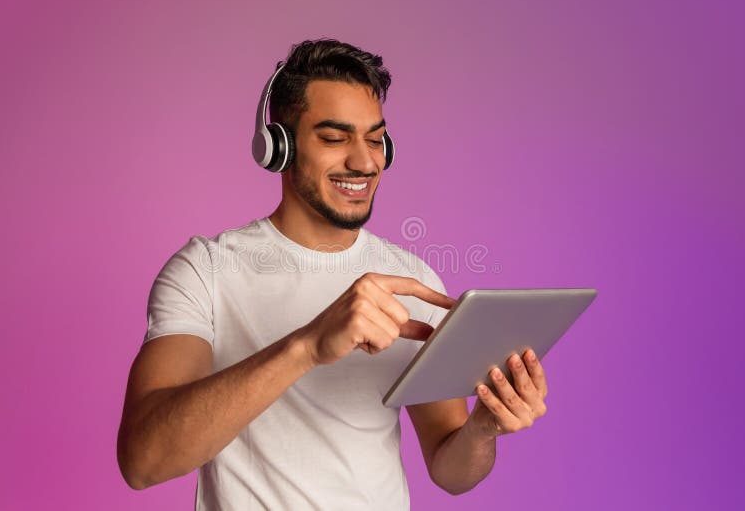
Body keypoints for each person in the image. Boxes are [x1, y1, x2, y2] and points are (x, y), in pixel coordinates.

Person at [117, 38, 549, 510]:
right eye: (334, 138)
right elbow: (143, 461)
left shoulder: (411, 278)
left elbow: (451, 470)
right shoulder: (206, 270)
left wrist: (482, 430)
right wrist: (307, 346)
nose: (365, 162)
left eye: (375, 138)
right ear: (277, 146)